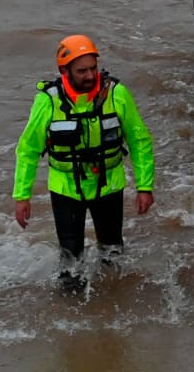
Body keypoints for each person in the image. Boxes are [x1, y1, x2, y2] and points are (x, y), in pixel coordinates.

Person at [12, 35, 155, 295]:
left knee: (112, 252)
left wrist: (145, 187)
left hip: (109, 185)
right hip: (66, 189)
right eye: (82, 71)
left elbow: (140, 140)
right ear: (64, 71)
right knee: (70, 257)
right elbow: (28, 150)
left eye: (93, 68)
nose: (90, 76)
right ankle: (72, 316)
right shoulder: (48, 101)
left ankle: (112, 302)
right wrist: (22, 195)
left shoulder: (117, 94)